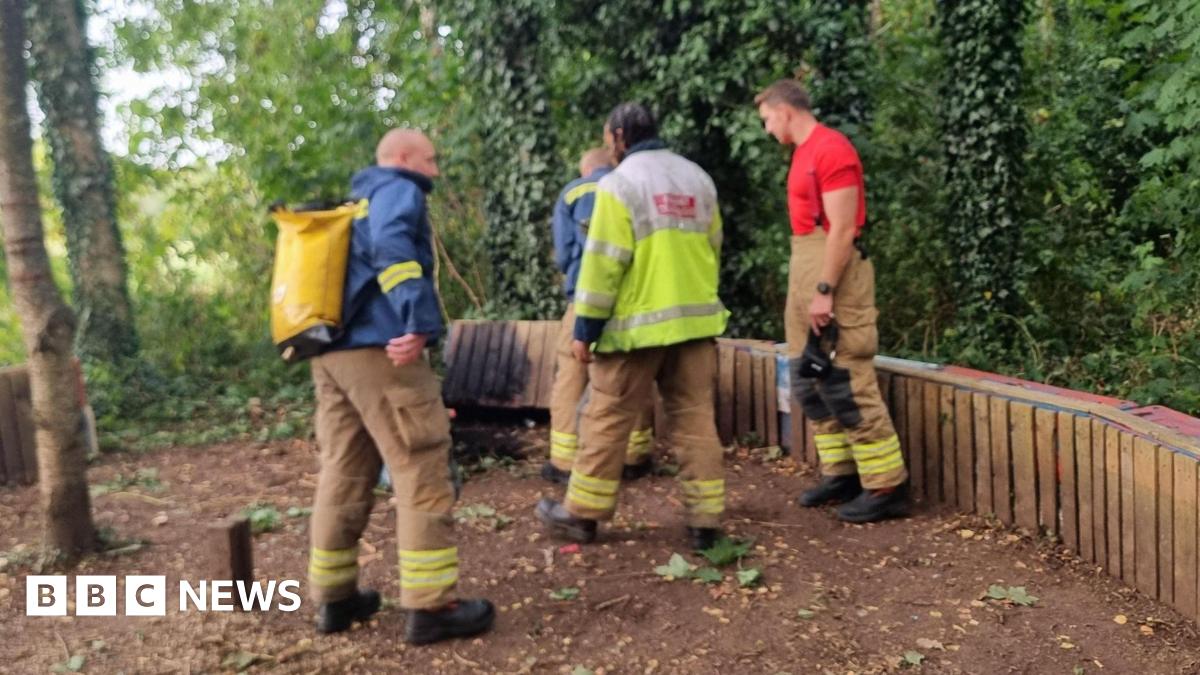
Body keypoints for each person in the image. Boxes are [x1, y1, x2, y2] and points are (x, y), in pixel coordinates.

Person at [306, 129, 494, 643]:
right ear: (405, 158)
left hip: (331, 356)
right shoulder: (397, 189)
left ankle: (334, 601)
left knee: (344, 471)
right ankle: (432, 608)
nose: (434, 171)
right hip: (383, 353)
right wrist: (416, 321)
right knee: (421, 466)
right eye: (431, 160)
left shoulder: (354, 199)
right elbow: (393, 245)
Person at [535, 103, 728, 551]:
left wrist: (586, 328)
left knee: (606, 417)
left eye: (608, 139)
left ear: (620, 137)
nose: (608, 147)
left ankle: (581, 515)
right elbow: (714, 248)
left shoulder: (619, 184)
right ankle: (706, 522)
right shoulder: (698, 179)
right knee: (696, 419)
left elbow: (603, 264)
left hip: (635, 330)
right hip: (695, 325)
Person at [755, 79, 909, 523]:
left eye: (767, 119)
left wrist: (824, 290)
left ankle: (885, 485)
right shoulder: (802, 153)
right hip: (806, 264)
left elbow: (843, 229)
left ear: (785, 110)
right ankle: (842, 473)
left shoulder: (831, 149)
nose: (767, 130)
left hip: (834, 276)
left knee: (845, 376)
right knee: (807, 377)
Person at [545, 147, 655, 485]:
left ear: (585, 167)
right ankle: (636, 455)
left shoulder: (573, 191)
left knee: (571, 375)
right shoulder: (635, 188)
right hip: (631, 299)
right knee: (633, 372)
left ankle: (564, 462)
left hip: (584, 296)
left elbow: (565, 252)